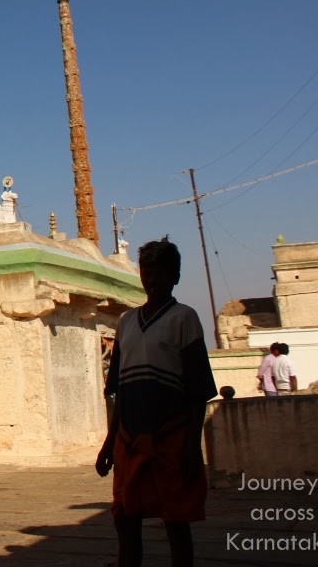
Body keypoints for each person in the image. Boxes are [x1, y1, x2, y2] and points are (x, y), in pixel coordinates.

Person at [96, 237, 217, 567]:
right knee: (125, 518)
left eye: (160, 273)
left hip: (172, 436)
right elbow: (119, 388)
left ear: (175, 276)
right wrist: (109, 444)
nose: (152, 281)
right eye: (147, 273)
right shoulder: (125, 322)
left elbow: (197, 392)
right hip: (129, 438)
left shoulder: (184, 319)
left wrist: (193, 447)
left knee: (176, 521)